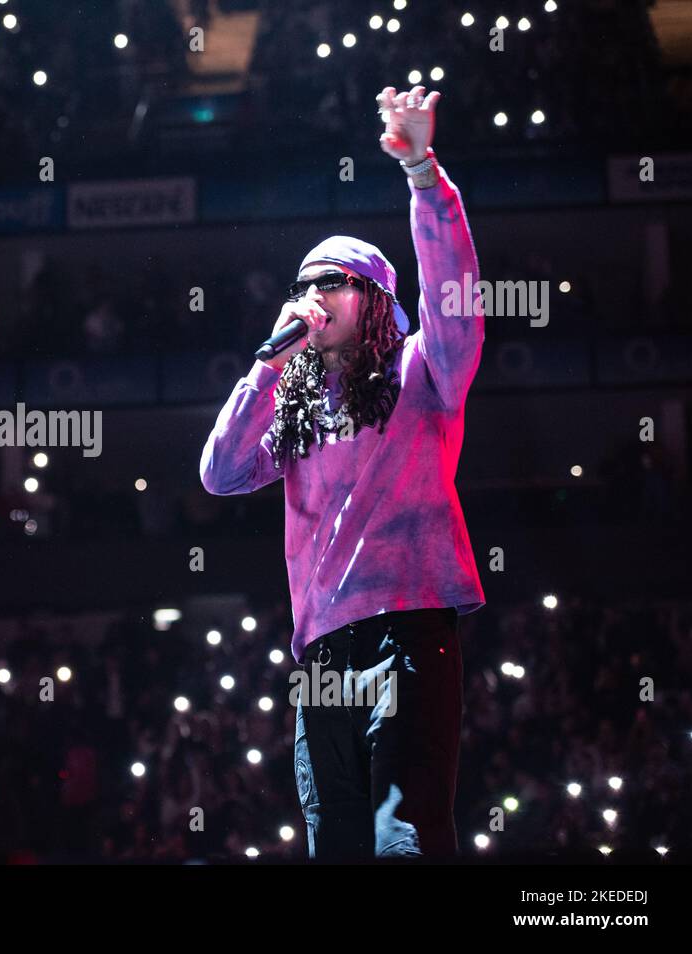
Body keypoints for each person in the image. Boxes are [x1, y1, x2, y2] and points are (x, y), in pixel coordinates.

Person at [199, 86, 486, 858]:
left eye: (330, 282)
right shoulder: (292, 411)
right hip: (322, 656)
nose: (312, 298)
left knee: (404, 838)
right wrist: (266, 367)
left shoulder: (424, 373)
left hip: (408, 632)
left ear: (376, 298)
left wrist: (424, 174)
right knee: (339, 846)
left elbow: (456, 300)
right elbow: (220, 473)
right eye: (302, 286)